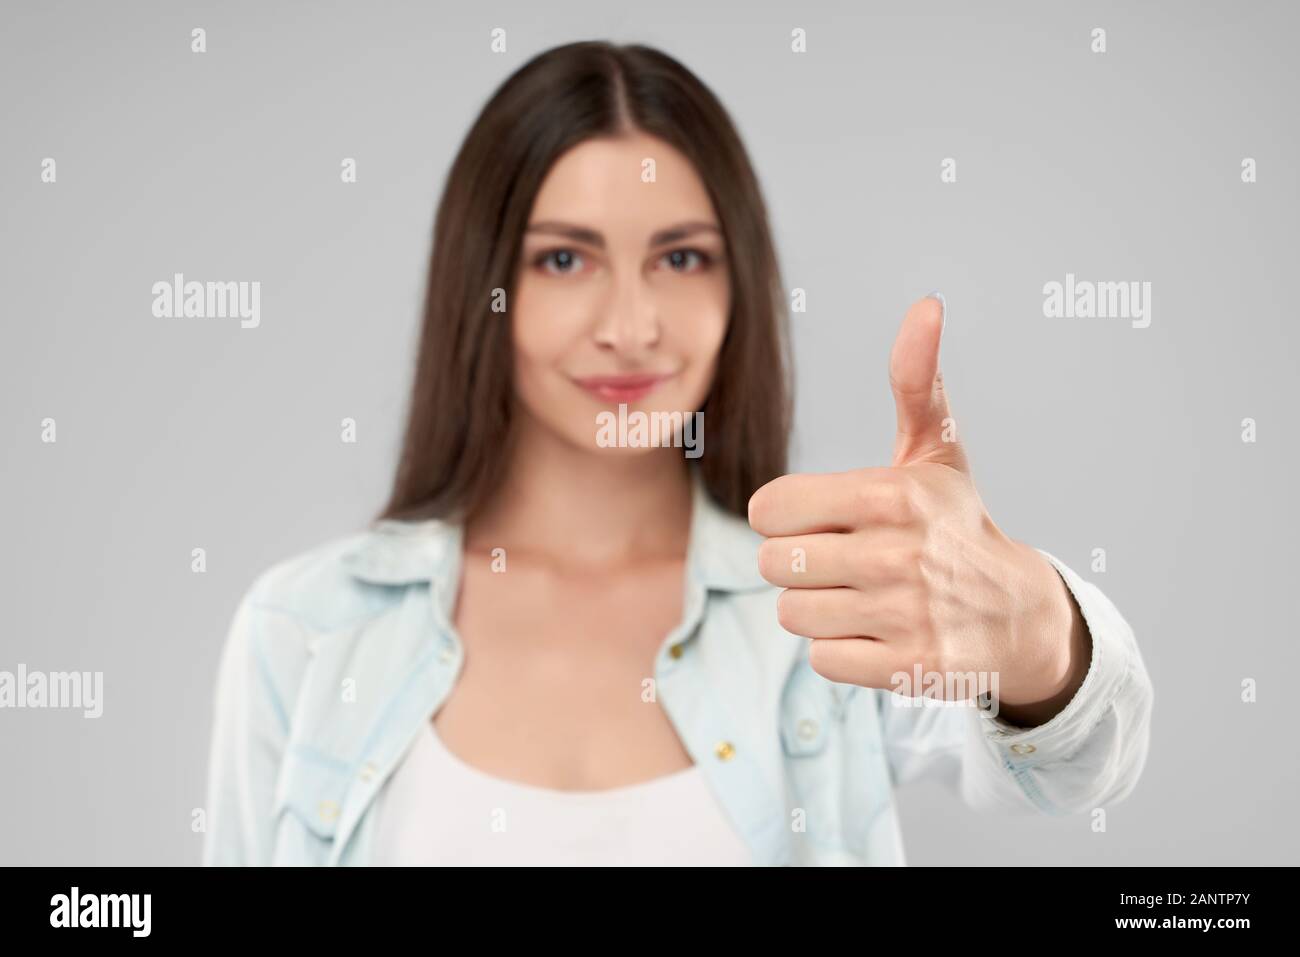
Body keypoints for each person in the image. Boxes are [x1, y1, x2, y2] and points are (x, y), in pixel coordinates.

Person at [201, 40, 1153, 867]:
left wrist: (1035, 625)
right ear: (482, 285)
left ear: (741, 284)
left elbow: (1084, 766)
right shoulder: (306, 631)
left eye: (681, 257)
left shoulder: (824, 605)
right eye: (564, 259)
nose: (630, 326)